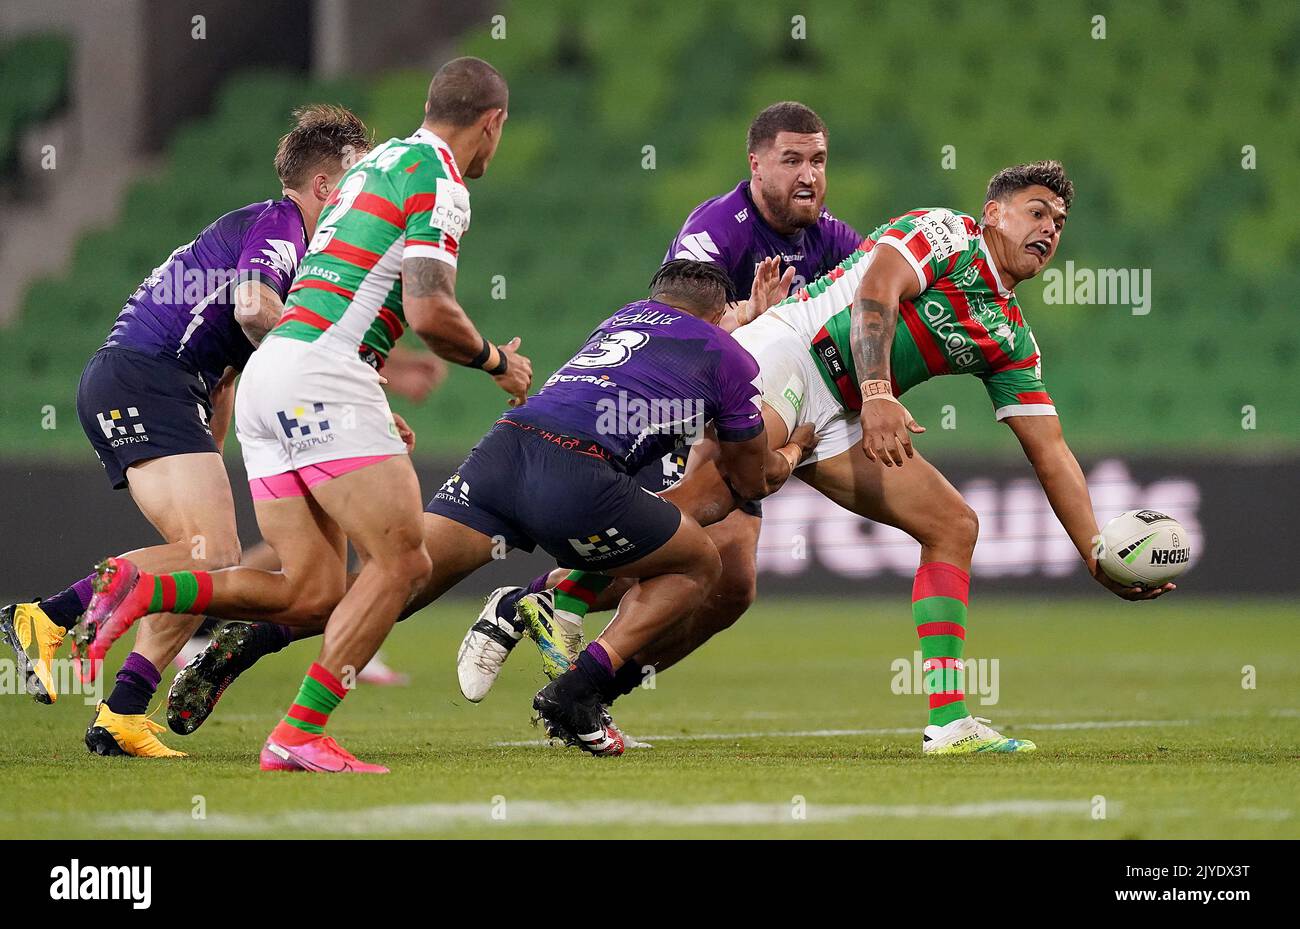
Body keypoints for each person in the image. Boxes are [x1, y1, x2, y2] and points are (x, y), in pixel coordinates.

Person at [552, 161, 1178, 755]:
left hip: (841, 414)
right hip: (789, 350)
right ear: (992, 214)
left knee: (952, 525)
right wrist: (880, 394)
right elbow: (876, 295)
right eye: (1036, 213)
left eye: (1059, 223)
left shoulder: (1010, 335)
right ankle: (556, 597)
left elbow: (1052, 452)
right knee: (708, 504)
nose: (1048, 230)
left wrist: (1093, 551)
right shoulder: (945, 233)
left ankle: (950, 723)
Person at [88, 260, 815, 760]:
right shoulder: (727, 355)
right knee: (698, 559)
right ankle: (580, 694)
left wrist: (740, 317)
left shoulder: (627, 318)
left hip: (507, 447)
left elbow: (697, 331)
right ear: (726, 315)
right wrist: (794, 445)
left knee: (395, 576)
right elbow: (749, 474)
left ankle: (250, 642)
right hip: (576, 477)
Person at [88, 56, 529, 773]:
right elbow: (429, 308)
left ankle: (148, 585)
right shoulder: (441, 180)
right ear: (493, 123)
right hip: (325, 372)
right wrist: (496, 363)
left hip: (272, 371)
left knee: (313, 589)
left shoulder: (374, 164)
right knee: (402, 558)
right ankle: (299, 731)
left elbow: (354, 283)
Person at [457, 100, 863, 702]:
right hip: (678, 415)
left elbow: (869, 310)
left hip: (745, 415)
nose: (809, 175)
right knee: (696, 554)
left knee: (732, 586)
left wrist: (878, 389)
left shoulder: (831, 237)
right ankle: (555, 637)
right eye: (792, 160)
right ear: (756, 165)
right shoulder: (715, 229)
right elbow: (674, 326)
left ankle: (570, 655)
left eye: (819, 160)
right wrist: (750, 317)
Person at [0, 104, 373, 758]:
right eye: (359, 177)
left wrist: (218, 454)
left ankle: (121, 712)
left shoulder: (284, 243)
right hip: (148, 379)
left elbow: (228, 376)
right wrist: (316, 365)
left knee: (200, 564)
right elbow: (254, 308)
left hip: (159, 387)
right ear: (324, 186)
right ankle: (48, 615)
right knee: (214, 555)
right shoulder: (280, 225)